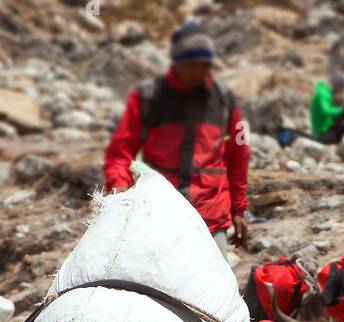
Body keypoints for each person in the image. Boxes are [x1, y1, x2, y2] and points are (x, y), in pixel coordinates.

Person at [103, 22, 250, 258]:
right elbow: (120, 151)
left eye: (205, 65)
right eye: (192, 65)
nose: (199, 72)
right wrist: (119, 188)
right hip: (159, 215)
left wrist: (239, 209)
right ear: (177, 62)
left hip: (211, 217)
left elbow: (239, 155)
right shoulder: (148, 97)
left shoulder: (224, 99)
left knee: (217, 290)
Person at [310, 72, 344, 144]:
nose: (343, 91)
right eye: (342, 88)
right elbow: (326, 111)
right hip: (322, 133)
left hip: (324, 129)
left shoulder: (326, 93)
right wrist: (341, 110)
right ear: (337, 86)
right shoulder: (324, 94)